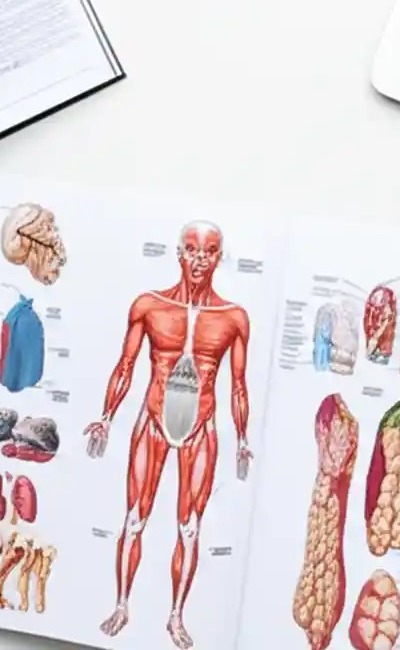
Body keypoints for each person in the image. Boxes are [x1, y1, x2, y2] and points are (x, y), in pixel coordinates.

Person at [83, 220, 252, 649]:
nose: (199, 258)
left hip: (202, 427)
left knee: (189, 527)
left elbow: (238, 385)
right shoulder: (149, 305)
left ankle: (175, 616)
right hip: (153, 420)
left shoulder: (233, 318)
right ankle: (122, 605)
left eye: (208, 251)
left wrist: (244, 438)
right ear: (178, 253)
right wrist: (106, 415)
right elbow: (126, 365)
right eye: (191, 249)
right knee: (135, 518)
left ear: (219, 257)